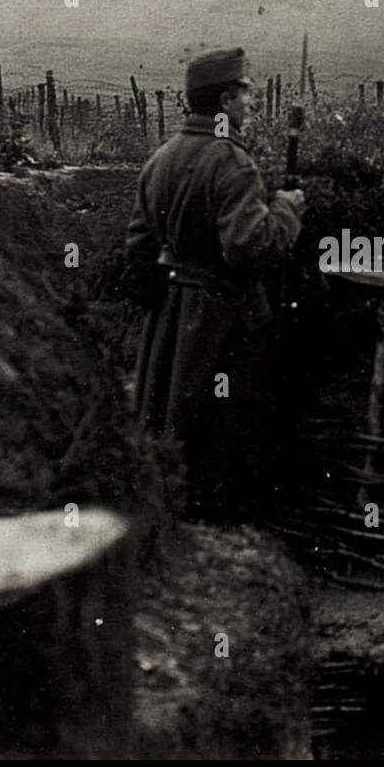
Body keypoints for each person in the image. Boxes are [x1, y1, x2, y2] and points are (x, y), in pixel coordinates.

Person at [125, 47, 305, 520]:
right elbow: (251, 247)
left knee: (168, 418)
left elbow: (139, 249)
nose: (249, 104)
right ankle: (215, 531)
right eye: (244, 95)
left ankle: (169, 519)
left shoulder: (161, 158)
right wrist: (287, 208)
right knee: (220, 425)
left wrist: (163, 301)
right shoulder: (230, 161)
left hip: (170, 315)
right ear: (225, 101)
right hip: (223, 319)